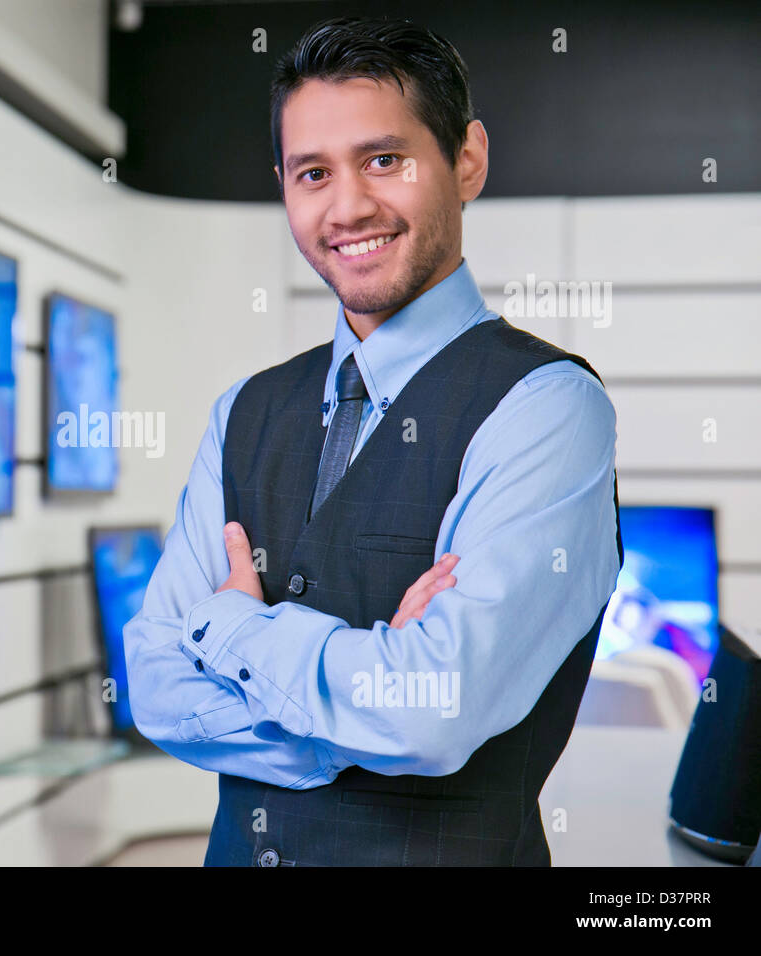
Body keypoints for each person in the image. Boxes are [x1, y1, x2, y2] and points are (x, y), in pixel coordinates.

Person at [123, 16, 623, 867]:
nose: (348, 206)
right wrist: (367, 718)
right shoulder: (243, 410)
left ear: (466, 160)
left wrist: (235, 628)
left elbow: (435, 712)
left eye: (383, 159)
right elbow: (157, 691)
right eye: (313, 173)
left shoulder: (549, 408)